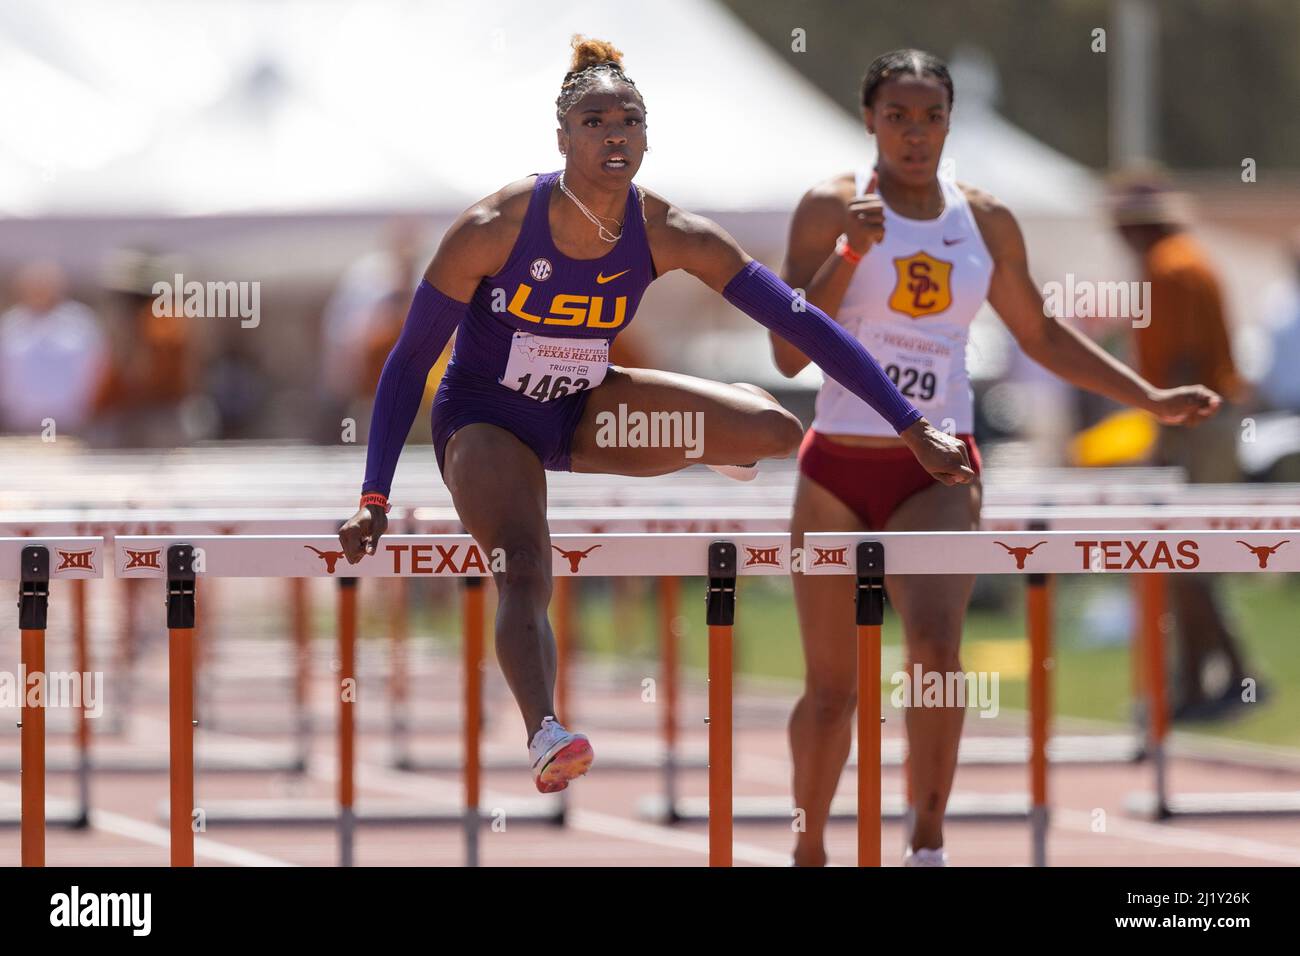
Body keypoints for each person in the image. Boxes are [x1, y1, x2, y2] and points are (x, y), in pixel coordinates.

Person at [339, 36, 973, 795]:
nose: (614, 134)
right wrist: (374, 495)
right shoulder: (494, 227)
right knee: (523, 561)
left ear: (646, 136)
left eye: (629, 120)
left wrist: (909, 423)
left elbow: (802, 324)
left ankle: (706, 447)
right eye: (595, 119)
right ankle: (546, 730)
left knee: (774, 430)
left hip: (582, 413)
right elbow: (409, 362)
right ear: (563, 137)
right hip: (488, 420)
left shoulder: (672, 232)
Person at [771, 50, 1222, 866]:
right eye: (898, 116)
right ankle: (809, 850)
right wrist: (844, 255)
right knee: (833, 689)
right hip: (836, 462)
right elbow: (787, 354)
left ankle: (927, 845)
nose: (914, 134)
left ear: (949, 122)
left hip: (937, 466)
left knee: (938, 653)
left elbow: (1043, 335)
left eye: (930, 117)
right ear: (869, 117)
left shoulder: (984, 219)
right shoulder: (829, 206)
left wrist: (1148, 399)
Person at [1109, 171, 1254, 719]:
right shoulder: (1187, 258)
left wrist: (1170, 435)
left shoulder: (1167, 267)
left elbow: (1184, 359)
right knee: (1186, 561)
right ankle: (1193, 682)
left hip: (1199, 424)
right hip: (1212, 420)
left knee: (1185, 558)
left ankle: (1232, 673)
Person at [0, 261, 109, 437]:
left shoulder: (81, 324)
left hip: (71, 424)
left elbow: (98, 368)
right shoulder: (9, 326)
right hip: (20, 424)